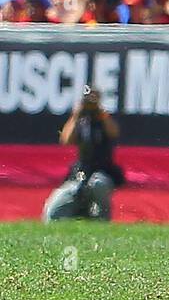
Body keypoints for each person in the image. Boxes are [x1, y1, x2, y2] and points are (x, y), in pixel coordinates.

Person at [42, 87, 123, 222]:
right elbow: (66, 140)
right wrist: (77, 113)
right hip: (80, 173)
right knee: (53, 212)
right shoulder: (81, 120)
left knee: (98, 184)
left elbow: (113, 133)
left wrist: (99, 110)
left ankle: (101, 219)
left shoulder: (104, 119)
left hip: (103, 171)